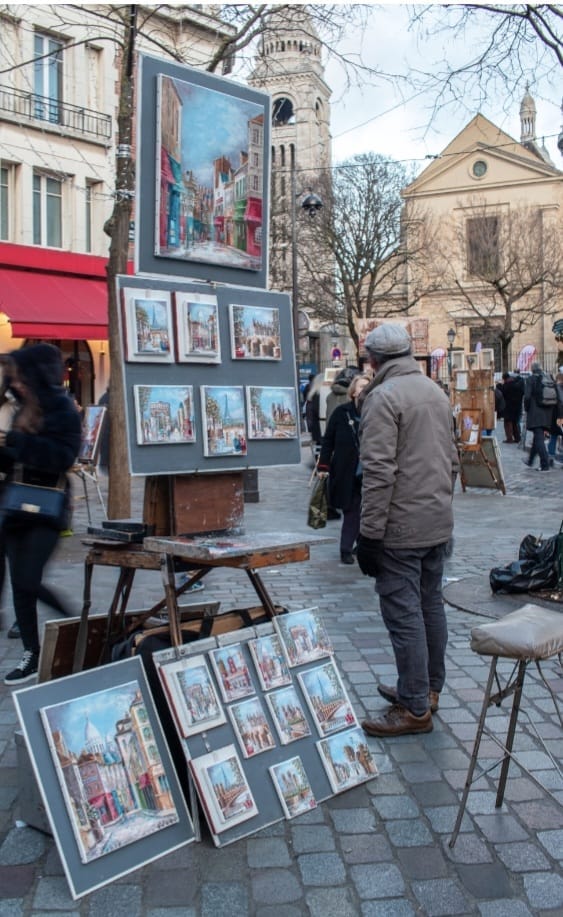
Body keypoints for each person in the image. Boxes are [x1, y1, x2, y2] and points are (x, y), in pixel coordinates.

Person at [356, 324, 459, 737]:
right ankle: (426, 689)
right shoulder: (435, 391)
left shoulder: (384, 397)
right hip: (435, 520)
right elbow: (451, 462)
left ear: (374, 361)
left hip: (402, 526)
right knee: (430, 605)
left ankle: (415, 707)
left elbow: (378, 474)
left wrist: (370, 535)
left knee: (404, 613)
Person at [0, 344, 82, 685]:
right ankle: (32, 654)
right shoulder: (22, 408)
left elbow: (62, 457)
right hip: (15, 504)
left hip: (48, 506)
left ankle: (78, 629)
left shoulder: (62, 408)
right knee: (20, 585)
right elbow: (14, 461)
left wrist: (18, 446)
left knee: (28, 580)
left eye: (20, 376)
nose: (15, 383)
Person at [317, 374, 371, 564]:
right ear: (354, 391)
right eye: (362, 386)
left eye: (368, 386)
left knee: (369, 512)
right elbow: (328, 441)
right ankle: (345, 549)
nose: (365, 390)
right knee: (352, 511)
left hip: (371, 471)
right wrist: (323, 466)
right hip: (347, 471)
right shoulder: (342, 413)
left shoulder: (376, 412)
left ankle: (360, 544)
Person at [522, 361, 556, 472]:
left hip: (536, 412)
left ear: (532, 370)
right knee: (538, 437)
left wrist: (527, 408)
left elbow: (527, 397)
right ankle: (530, 460)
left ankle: (545, 464)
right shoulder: (548, 377)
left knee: (539, 439)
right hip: (547, 412)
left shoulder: (531, 379)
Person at [501, 372, 524, 444]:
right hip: (517, 406)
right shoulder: (517, 385)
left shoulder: (506, 385)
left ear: (504, 379)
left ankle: (509, 438)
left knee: (508, 423)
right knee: (515, 422)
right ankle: (517, 438)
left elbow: (503, 394)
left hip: (508, 406)